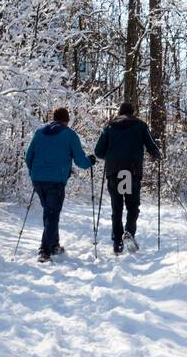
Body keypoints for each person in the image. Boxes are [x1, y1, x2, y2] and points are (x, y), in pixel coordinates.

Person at [24, 107, 93, 261]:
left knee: (49, 213)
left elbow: (29, 157)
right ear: (66, 120)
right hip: (55, 180)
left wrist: (34, 173)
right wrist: (91, 161)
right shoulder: (69, 135)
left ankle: (54, 245)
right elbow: (81, 161)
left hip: (38, 180)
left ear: (53, 118)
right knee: (52, 214)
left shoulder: (39, 132)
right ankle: (45, 251)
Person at [93, 101, 161, 254]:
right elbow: (152, 147)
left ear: (119, 112)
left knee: (116, 208)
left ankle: (117, 242)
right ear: (133, 112)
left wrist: (109, 156)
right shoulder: (141, 126)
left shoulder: (109, 127)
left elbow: (98, 152)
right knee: (132, 206)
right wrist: (157, 155)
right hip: (132, 170)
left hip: (114, 171)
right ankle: (129, 232)